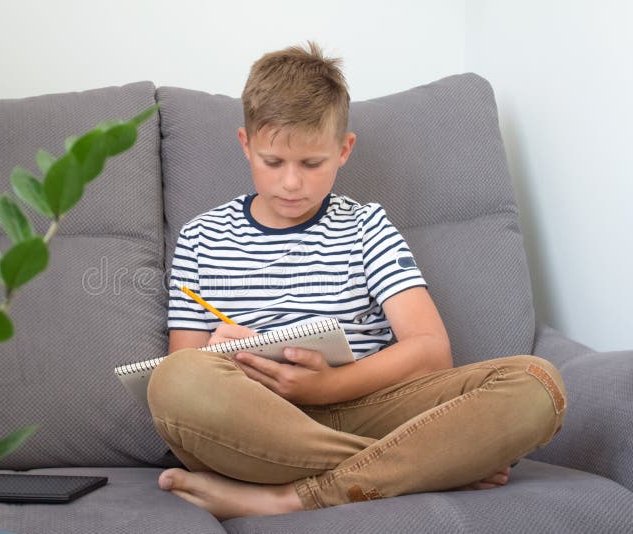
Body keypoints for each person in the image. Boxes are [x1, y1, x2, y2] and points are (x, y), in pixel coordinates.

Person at [147, 42, 567, 520]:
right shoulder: (201, 237)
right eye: (273, 162)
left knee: (537, 383)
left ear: (343, 150)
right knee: (176, 380)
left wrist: (325, 386)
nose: (291, 183)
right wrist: (217, 356)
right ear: (246, 144)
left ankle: (291, 497)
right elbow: (183, 363)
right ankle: (427, 465)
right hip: (258, 422)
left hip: (370, 405)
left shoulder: (367, 226)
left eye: (312, 164)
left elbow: (431, 351)